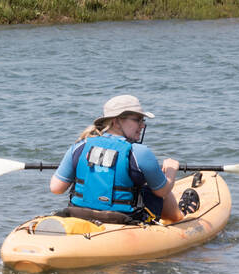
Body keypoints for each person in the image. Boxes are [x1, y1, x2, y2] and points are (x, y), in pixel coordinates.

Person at [49, 95, 184, 224]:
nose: (142, 125)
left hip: (79, 214)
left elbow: (56, 188)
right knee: (153, 187)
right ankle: (181, 216)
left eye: (143, 120)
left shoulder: (79, 146)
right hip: (125, 219)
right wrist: (171, 171)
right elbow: (162, 191)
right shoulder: (139, 152)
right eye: (137, 120)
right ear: (116, 122)